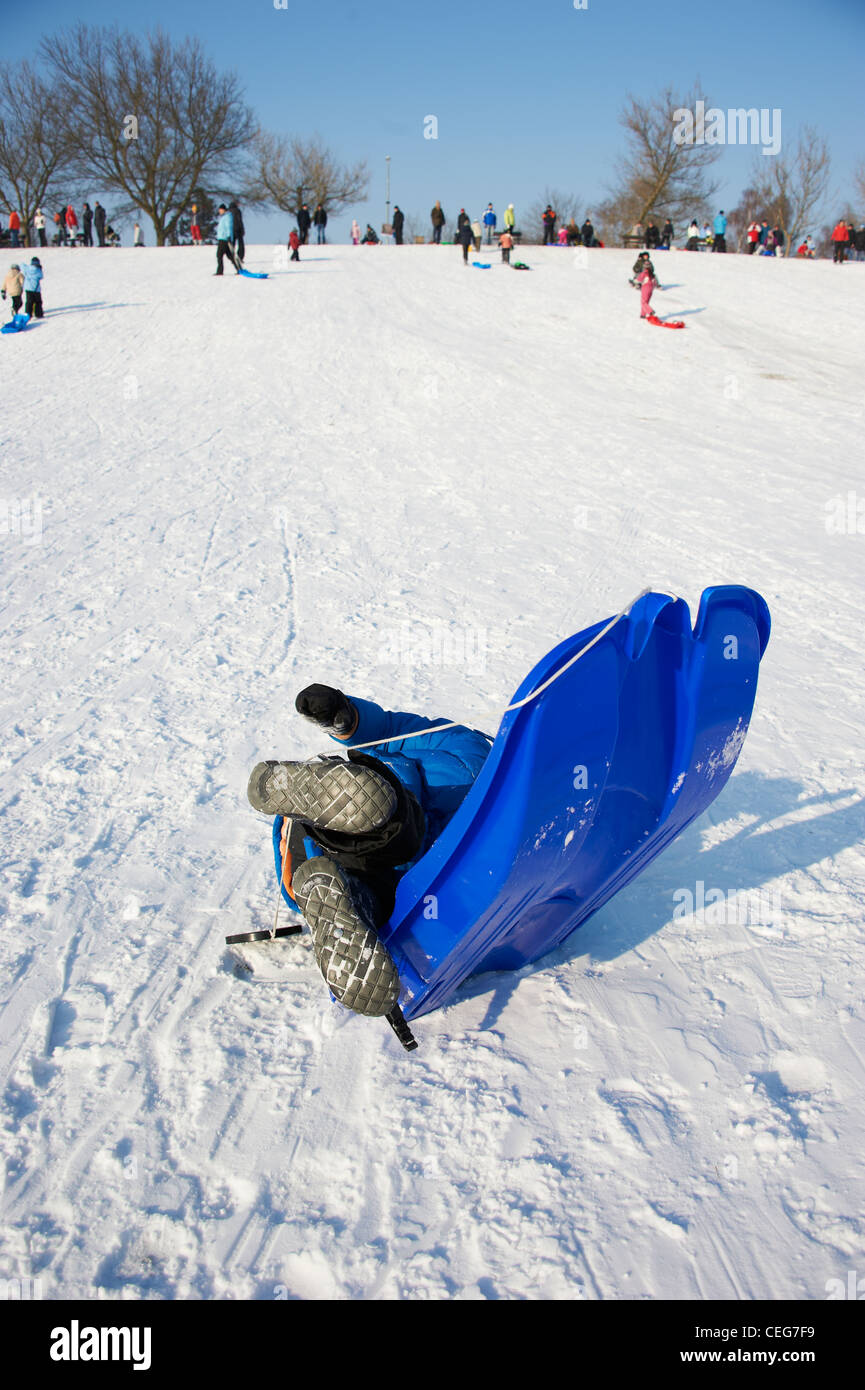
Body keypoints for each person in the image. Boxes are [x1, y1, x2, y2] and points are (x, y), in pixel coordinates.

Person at [247, 684, 491, 1018]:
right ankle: (348, 887)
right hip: (390, 825)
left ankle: (343, 901)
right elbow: (390, 729)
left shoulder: (470, 748)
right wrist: (345, 718)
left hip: (354, 851)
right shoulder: (469, 745)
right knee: (397, 821)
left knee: (376, 878)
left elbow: (392, 730)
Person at [214, 204, 240, 275]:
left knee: (219, 254)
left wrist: (228, 236)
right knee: (230, 255)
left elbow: (229, 227)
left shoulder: (227, 217)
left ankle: (220, 271)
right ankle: (239, 269)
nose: (219, 211)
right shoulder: (224, 217)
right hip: (222, 238)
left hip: (224, 238)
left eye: (220, 209)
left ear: (223, 209)